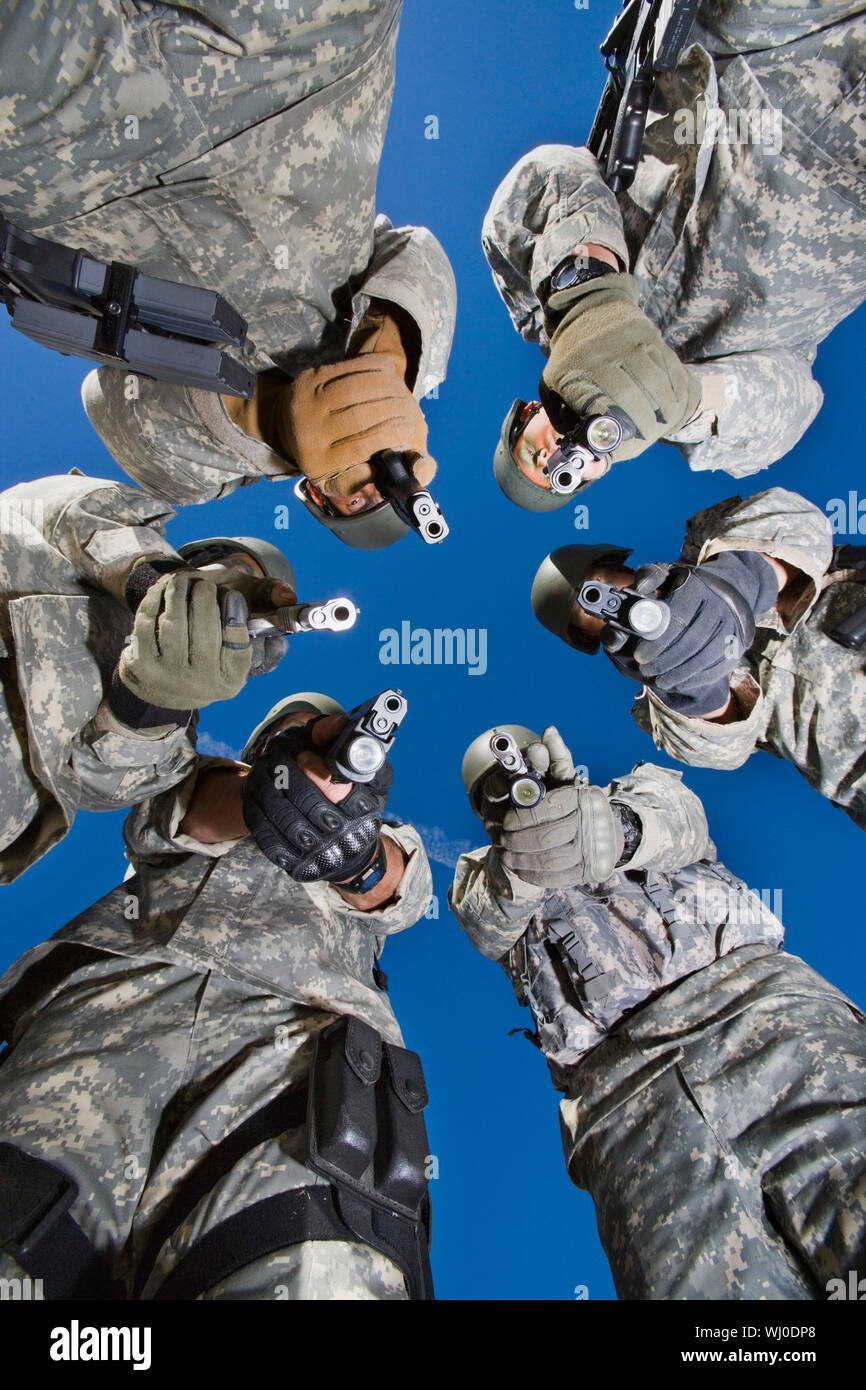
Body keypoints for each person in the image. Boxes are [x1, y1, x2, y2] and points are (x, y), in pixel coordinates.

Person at [0, 692, 434, 1300]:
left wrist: (354, 850)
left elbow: (396, 889)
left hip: (296, 1054)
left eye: (321, 736)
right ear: (264, 748)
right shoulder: (195, 779)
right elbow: (179, 813)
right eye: (295, 733)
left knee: (314, 1270)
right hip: (105, 1016)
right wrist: (265, 797)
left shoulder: (388, 833)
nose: (312, 740)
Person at [0, 1, 456, 546]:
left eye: (357, 503)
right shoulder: (418, 378)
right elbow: (417, 251)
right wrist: (394, 357)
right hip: (295, 65)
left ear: (314, 496)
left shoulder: (195, 475)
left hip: (68, 160)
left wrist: (267, 421)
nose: (375, 486)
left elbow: (114, 403)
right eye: (386, 495)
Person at [449, 723, 866, 1299]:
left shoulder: (644, 787)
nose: (510, 783)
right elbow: (486, 918)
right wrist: (525, 859)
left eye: (518, 763)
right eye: (493, 788)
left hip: (769, 1025)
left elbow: (682, 820)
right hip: (627, 1106)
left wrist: (613, 829)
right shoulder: (479, 874)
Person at [482, 0, 866, 511]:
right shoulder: (700, 433)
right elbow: (795, 401)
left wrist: (587, 303)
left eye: (533, 451)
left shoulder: (539, 302)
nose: (556, 454)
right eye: (563, 476)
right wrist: (686, 402)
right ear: (595, 471)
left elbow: (548, 174)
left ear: (528, 412)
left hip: (757, 57)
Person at [0, 470, 300, 883]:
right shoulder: (105, 525)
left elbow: (100, 784)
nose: (236, 595)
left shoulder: (173, 748)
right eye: (236, 571)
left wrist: (161, 698)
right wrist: (159, 579)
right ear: (197, 558)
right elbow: (75, 509)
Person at [531, 487, 866, 828]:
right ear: (590, 636)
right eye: (589, 613)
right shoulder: (658, 701)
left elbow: (801, 521)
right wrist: (694, 692)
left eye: (601, 584)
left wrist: (734, 582)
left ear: (621, 566)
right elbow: (723, 751)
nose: (608, 601)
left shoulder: (709, 542)